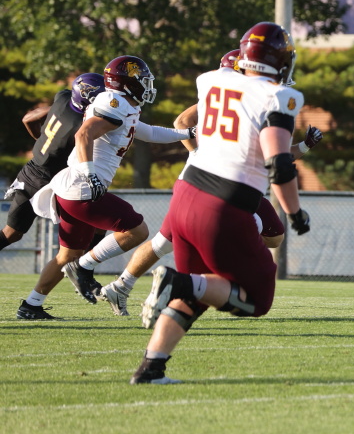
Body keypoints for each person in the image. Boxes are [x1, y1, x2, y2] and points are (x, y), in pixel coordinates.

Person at [131, 21, 312, 384]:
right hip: (222, 204)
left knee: (201, 288)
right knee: (256, 298)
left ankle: (152, 367)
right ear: (280, 60)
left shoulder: (212, 79)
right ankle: (177, 283)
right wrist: (294, 212)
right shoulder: (280, 96)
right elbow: (278, 161)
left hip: (185, 196)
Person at [97, 49, 324, 316]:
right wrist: (196, 151)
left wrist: (304, 147)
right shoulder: (238, 98)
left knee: (269, 235)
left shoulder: (242, 97)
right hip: (220, 183)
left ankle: (137, 290)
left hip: (221, 183)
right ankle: (144, 286)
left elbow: (275, 156)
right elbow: (183, 121)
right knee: (173, 243)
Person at [26, 57, 193, 314]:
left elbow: (148, 133)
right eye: (141, 80)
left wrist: (188, 134)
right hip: (81, 187)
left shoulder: (124, 105)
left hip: (73, 187)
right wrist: (90, 173)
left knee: (66, 255)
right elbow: (83, 134)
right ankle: (83, 267)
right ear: (126, 83)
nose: (146, 86)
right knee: (136, 230)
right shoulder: (113, 103)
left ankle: (31, 305)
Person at [12, 73, 106, 319]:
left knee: (11, 234)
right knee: (93, 223)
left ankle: (83, 271)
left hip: (34, 169)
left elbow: (27, 118)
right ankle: (82, 271)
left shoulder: (63, 97)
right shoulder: (82, 124)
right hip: (47, 181)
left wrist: (42, 139)